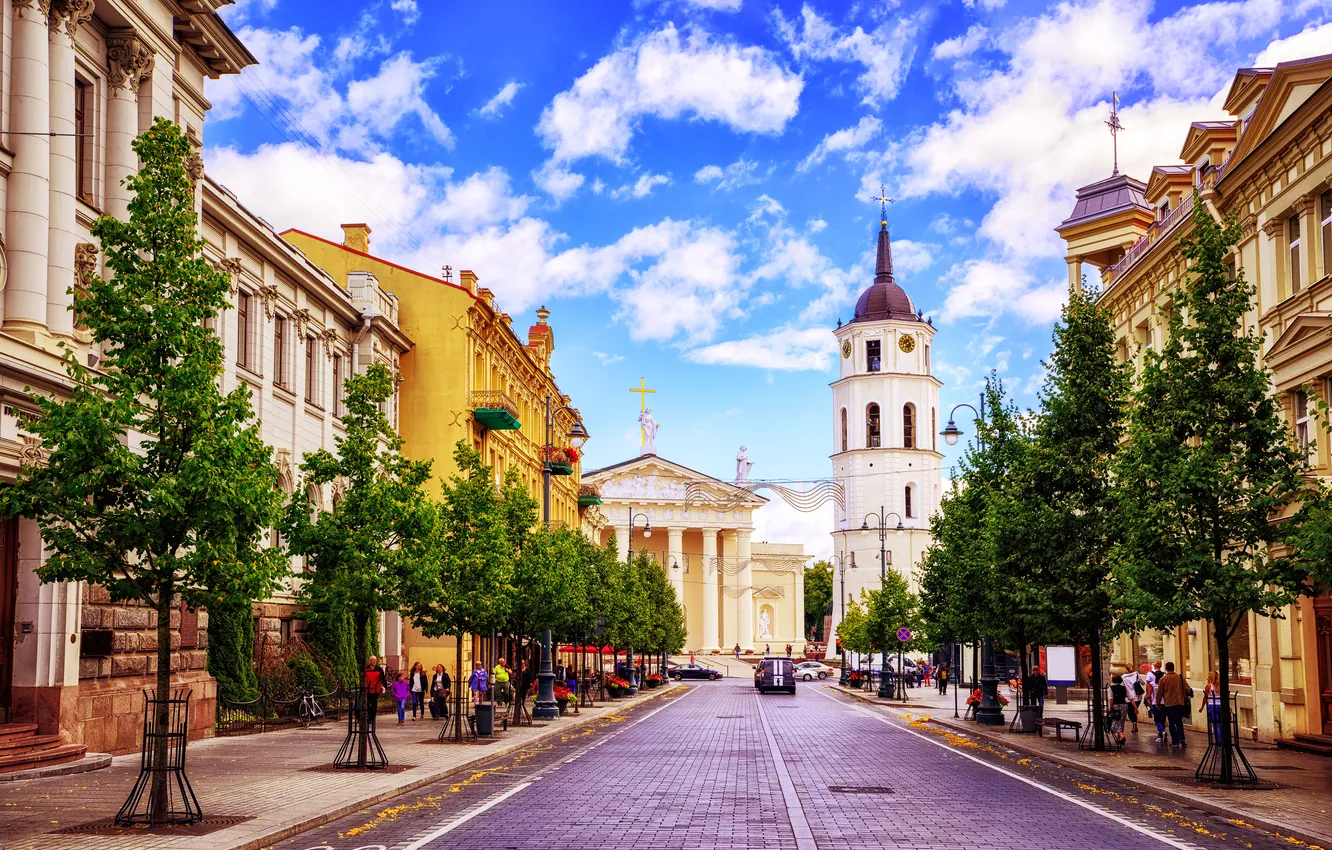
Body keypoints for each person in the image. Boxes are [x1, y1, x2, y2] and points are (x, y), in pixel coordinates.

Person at [1156, 661, 1188, 747]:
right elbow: (1187, 688)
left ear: (1166, 668)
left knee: (1172, 723)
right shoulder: (1180, 677)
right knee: (1179, 721)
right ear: (1174, 668)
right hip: (1180, 703)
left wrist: (1158, 703)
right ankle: (1182, 738)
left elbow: (1159, 693)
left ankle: (1175, 742)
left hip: (1169, 704)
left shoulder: (1163, 679)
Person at [1108, 674, 1128, 745]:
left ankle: (1121, 735)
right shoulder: (1124, 688)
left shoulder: (1111, 688)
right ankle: (1119, 738)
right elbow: (1130, 697)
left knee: (1115, 721)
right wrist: (1135, 707)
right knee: (1121, 721)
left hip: (1116, 706)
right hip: (1124, 706)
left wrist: (1110, 707)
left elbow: (1111, 699)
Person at [1203, 670, 1222, 744]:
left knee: (1215, 724)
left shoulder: (1209, 686)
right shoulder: (1221, 685)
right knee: (1221, 723)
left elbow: (1205, 697)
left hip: (1212, 706)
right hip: (1220, 705)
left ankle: (1219, 740)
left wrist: (1202, 707)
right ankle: (1222, 738)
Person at [1122, 669, 1142, 734]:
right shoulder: (1137, 675)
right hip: (1137, 697)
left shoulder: (1123, 677)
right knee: (1134, 711)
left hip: (1129, 697)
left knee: (1130, 712)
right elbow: (1143, 683)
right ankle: (1134, 723)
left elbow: (1122, 686)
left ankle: (1134, 722)